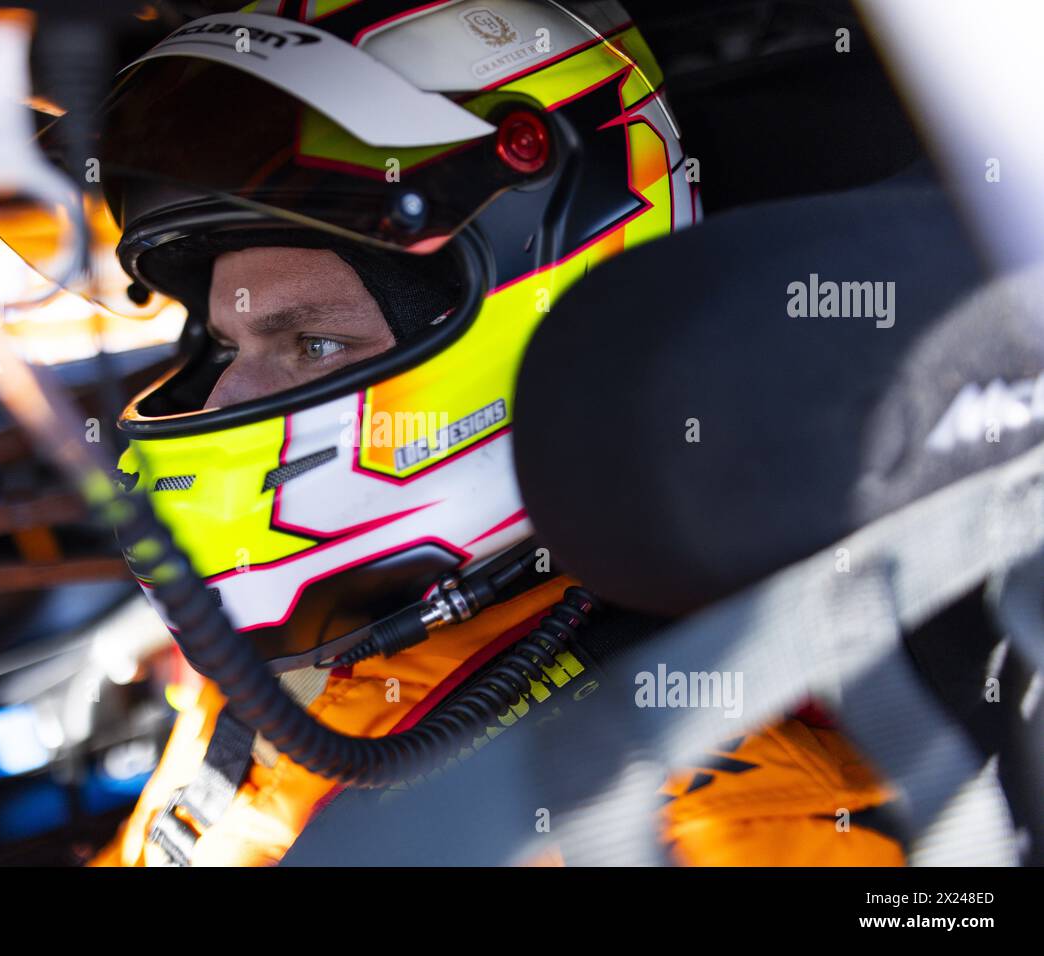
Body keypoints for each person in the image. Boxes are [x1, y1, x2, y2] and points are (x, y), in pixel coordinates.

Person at [89, 0, 902, 866]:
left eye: (312, 343)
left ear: (555, 322)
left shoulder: (701, 819)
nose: (222, 403)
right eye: (225, 342)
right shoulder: (303, 652)